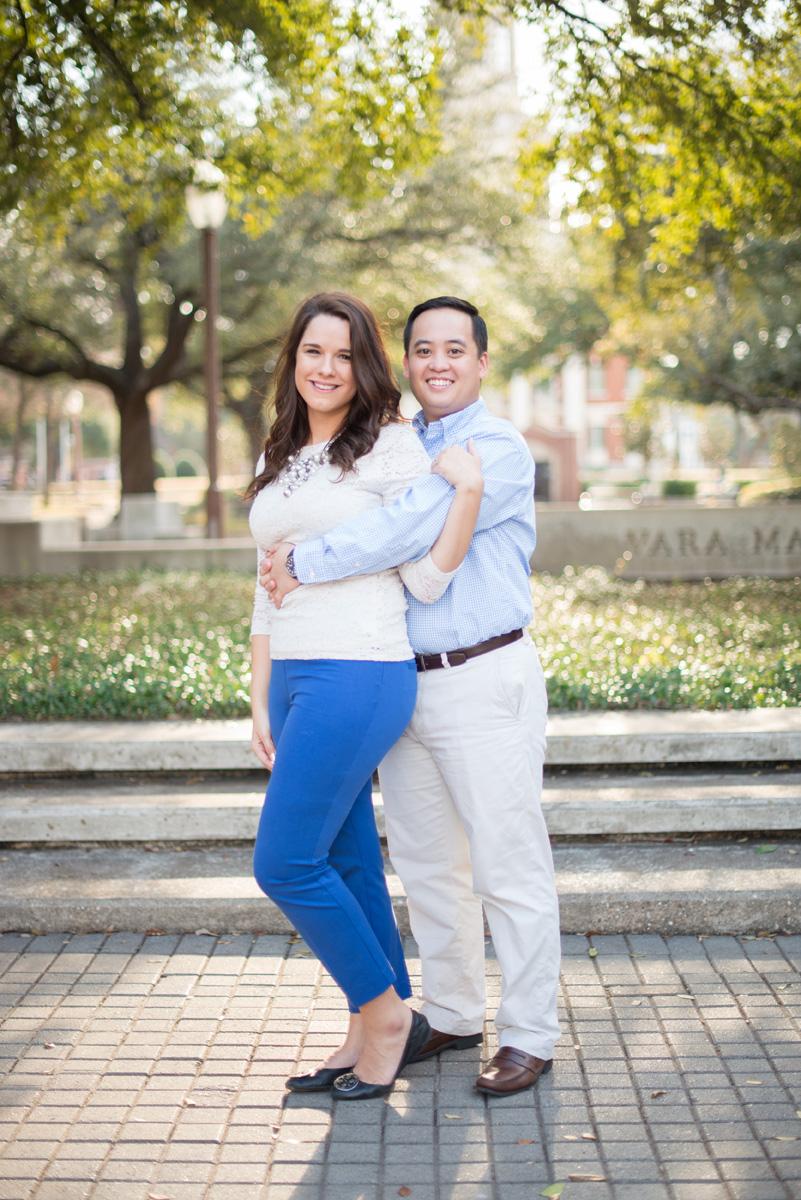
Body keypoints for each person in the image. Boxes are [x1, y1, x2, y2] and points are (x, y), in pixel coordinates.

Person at [262, 296, 560, 1097]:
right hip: (403, 678)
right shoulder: (404, 442)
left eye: (454, 349)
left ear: (482, 362)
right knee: (429, 868)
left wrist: (305, 559)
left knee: (507, 863)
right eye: (422, 349)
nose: (437, 362)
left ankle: (529, 1034)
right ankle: (456, 1014)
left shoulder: (490, 446)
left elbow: (409, 530)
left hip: (482, 674)